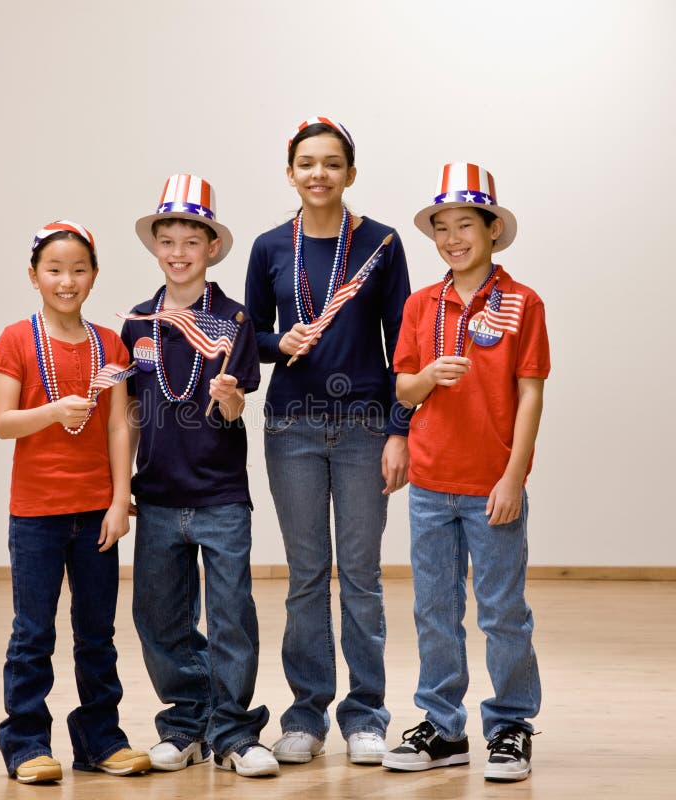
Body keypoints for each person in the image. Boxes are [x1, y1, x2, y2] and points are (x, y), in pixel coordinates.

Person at [245, 117, 411, 765]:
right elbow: (249, 336)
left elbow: (405, 343)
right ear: (291, 172)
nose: (319, 173)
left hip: (367, 427)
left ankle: (366, 714)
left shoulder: (382, 243)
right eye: (307, 163)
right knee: (308, 577)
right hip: (292, 427)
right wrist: (275, 342)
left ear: (350, 172)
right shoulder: (267, 247)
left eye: (332, 163)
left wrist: (400, 429)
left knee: (363, 577)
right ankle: (306, 715)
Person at [384, 163, 549, 782]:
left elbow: (530, 395)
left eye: (465, 225)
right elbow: (402, 388)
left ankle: (509, 726)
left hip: (490, 486)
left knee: (502, 609)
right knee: (434, 609)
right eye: (442, 228)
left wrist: (513, 478)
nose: (453, 238)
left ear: (491, 230)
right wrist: (427, 379)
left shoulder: (521, 303)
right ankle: (443, 727)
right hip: (429, 484)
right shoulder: (421, 305)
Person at [122, 174, 278, 779]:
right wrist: (121, 490)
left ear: (212, 248)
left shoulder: (233, 319)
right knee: (160, 616)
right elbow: (129, 416)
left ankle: (235, 730)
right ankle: (188, 721)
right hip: (157, 497)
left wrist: (229, 399)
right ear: (156, 247)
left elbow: (238, 405)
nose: (180, 253)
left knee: (232, 611)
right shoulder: (135, 323)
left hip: (218, 496)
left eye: (193, 241)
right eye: (169, 241)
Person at [0, 220, 149, 784]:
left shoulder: (110, 343)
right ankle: (26, 741)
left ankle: (99, 737)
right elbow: (3, 422)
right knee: (33, 632)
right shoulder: (16, 339)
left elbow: (117, 428)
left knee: (96, 631)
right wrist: (54, 412)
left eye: (78, 270)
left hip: (94, 513)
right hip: (35, 514)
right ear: (34, 276)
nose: (67, 280)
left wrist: (119, 499)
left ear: (95, 276)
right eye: (55, 270)